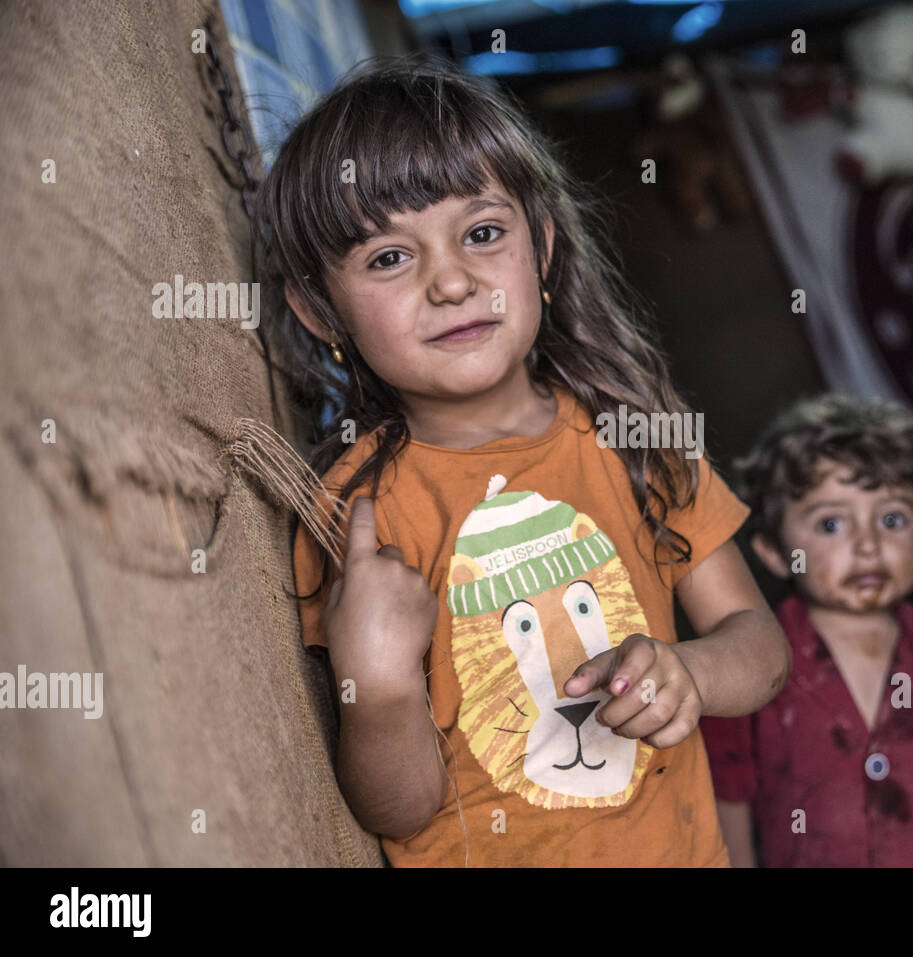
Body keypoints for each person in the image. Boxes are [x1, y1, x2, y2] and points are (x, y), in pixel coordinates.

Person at [255, 55, 790, 867]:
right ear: (318, 306)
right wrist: (382, 686)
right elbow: (400, 810)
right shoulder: (356, 516)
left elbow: (762, 648)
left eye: (481, 233)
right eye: (389, 258)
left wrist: (691, 673)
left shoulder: (634, 436)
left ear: (539, 245)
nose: (452, 282)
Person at [700, 395, 913, 867]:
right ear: (775, 551)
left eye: (892, 519)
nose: (868, 544)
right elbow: (726, 795)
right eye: (831, 523)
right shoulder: (747, 671)